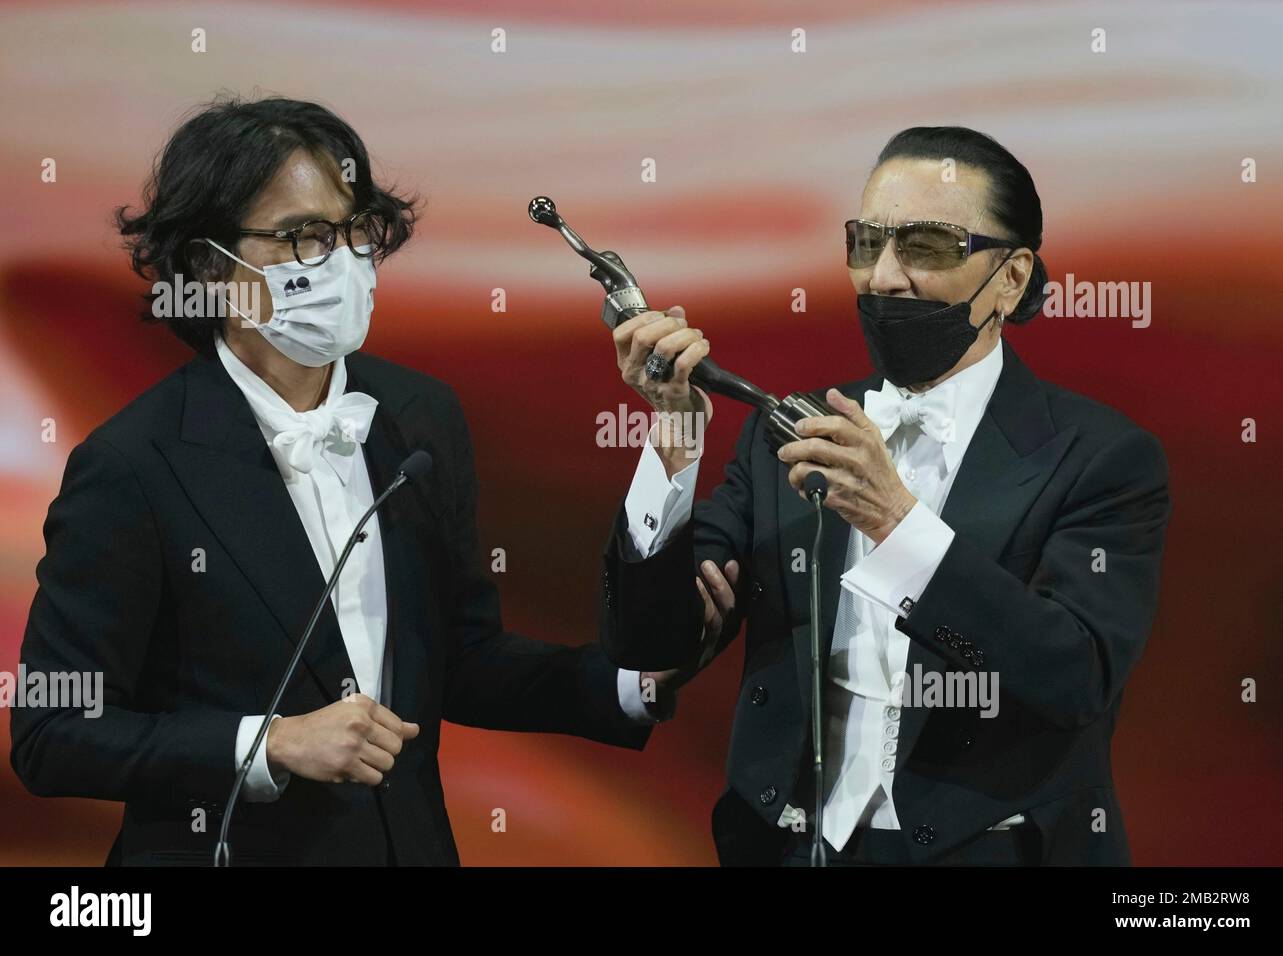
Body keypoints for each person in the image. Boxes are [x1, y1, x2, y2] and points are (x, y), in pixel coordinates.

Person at [10, 95, 659, 866]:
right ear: (208, 265)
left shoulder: (418, 416)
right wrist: (270, 743)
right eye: (305, 237)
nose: (345, 261)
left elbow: (462, 660)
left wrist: (633, 684)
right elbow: (52, 736)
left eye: (357, 231)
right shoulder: (132, 466)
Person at [601, 126, 1171, 866]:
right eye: (867, 244)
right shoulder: (789, 432)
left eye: (927, 247)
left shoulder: (1101, 458)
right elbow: (650, 646)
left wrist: (896, 524)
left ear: (1011, 277)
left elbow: (1070, 678)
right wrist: (673, 436)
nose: (886, 278)